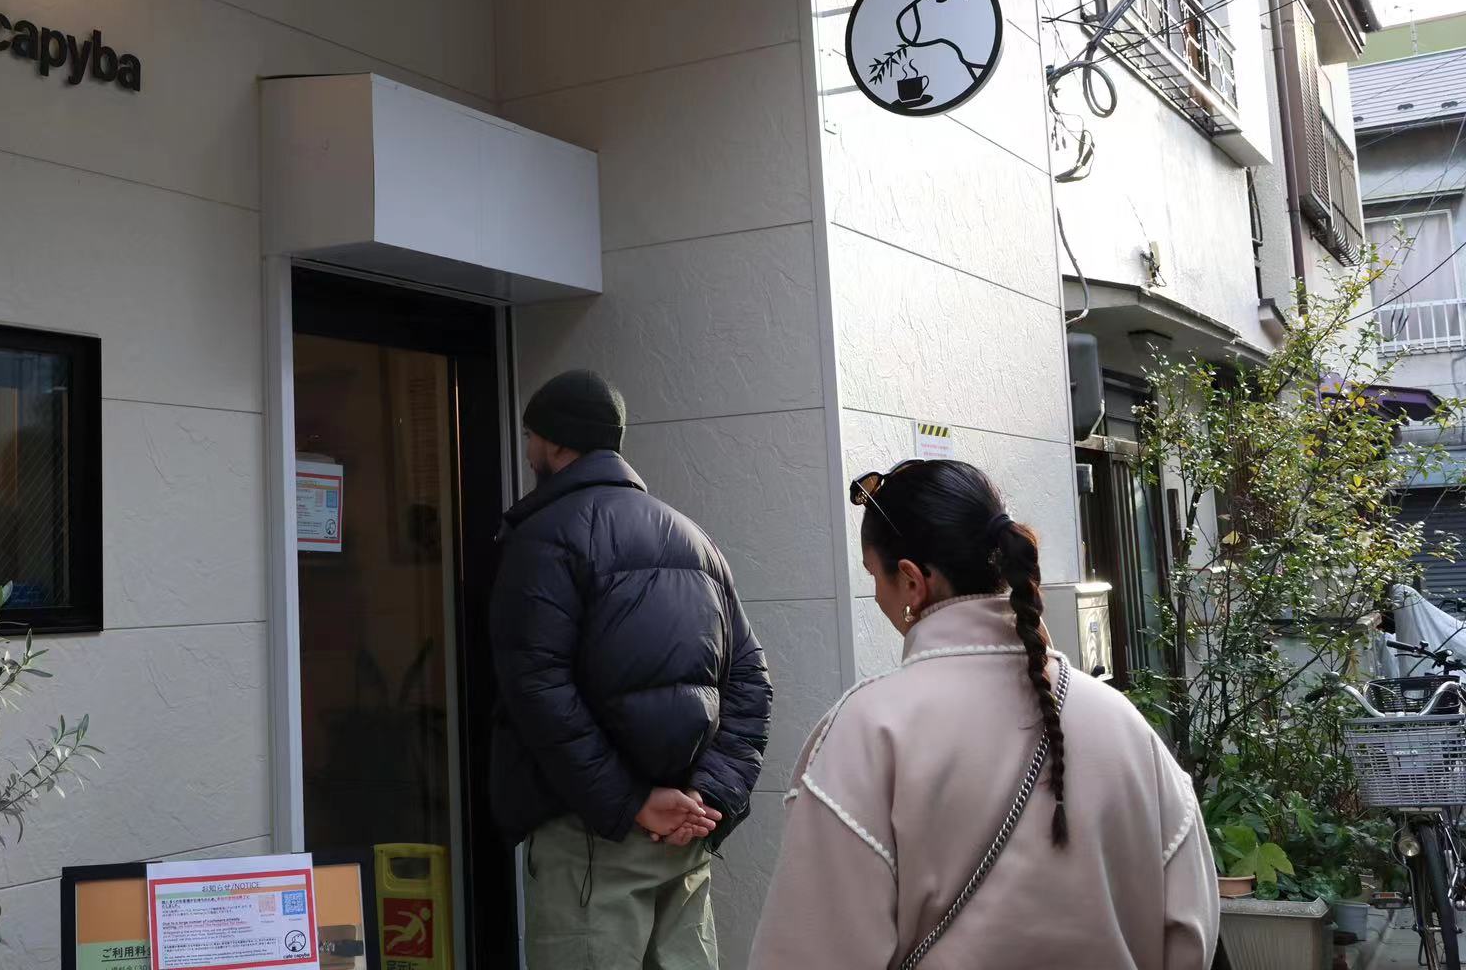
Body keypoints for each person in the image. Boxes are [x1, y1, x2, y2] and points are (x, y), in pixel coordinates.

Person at [750, 459, 1219, 970]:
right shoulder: (1123, 724)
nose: (878, 595)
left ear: (911, 581)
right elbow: (1192, 928)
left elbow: (811, 950)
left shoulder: (865, 733)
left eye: (874, 576)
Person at [491, 369, 773, 970]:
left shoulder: (541, 538)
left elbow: (537, 691)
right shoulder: (695, 540)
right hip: (685, 841)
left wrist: (630, 802)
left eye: (531, 437)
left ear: (558, 444)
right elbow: (751, 683)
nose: (528, 450)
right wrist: (707, 796)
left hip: (591, 845)